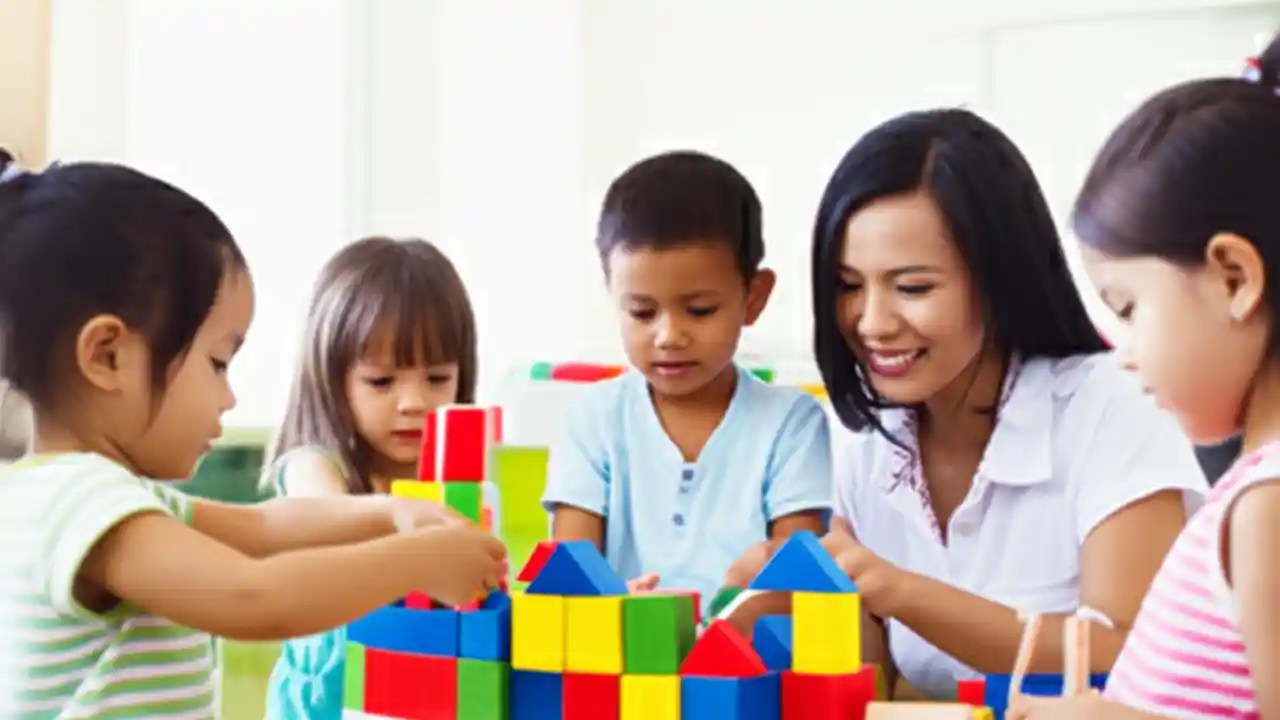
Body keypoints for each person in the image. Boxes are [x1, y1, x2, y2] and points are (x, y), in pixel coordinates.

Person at [728, 109, 1208, 699]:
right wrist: (804, 608)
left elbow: (1123, 651)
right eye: (848, 286)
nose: (872, 322)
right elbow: (880, 689)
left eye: (913, 288)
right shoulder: (863, 440)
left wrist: (899, 590)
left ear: (999, 279)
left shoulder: (1112, 406)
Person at [0, 164, 505, 718]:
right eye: (218, 363)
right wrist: (416, 559)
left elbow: (264, 527)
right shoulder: (81, 499)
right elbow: (255, 596)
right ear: (107, 356)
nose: (228, 397)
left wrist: (391, 513)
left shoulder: (109, 498)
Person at [1010, 36, 1280, 720]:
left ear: (1235, 279)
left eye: (1129, 308)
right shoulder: (1252, 494)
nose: (1124, 353)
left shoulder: (1270, 505)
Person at [542, 150, 832, 610]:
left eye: (700, 310)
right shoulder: (593, 420)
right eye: (641, 312)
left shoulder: (792, 423)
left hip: (749, 662)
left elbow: (800, 578)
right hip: (620, 663)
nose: (669, 336)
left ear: (753, 297)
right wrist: (606, 606)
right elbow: (570, 576)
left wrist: (740, 597)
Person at [265, 236, 480, 719]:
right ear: (330, 379)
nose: (414, 403)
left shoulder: (462, 478)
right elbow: (327, 514)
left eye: (438, 378)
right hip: (329, 706)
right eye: (381, 381)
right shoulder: (317, 465)